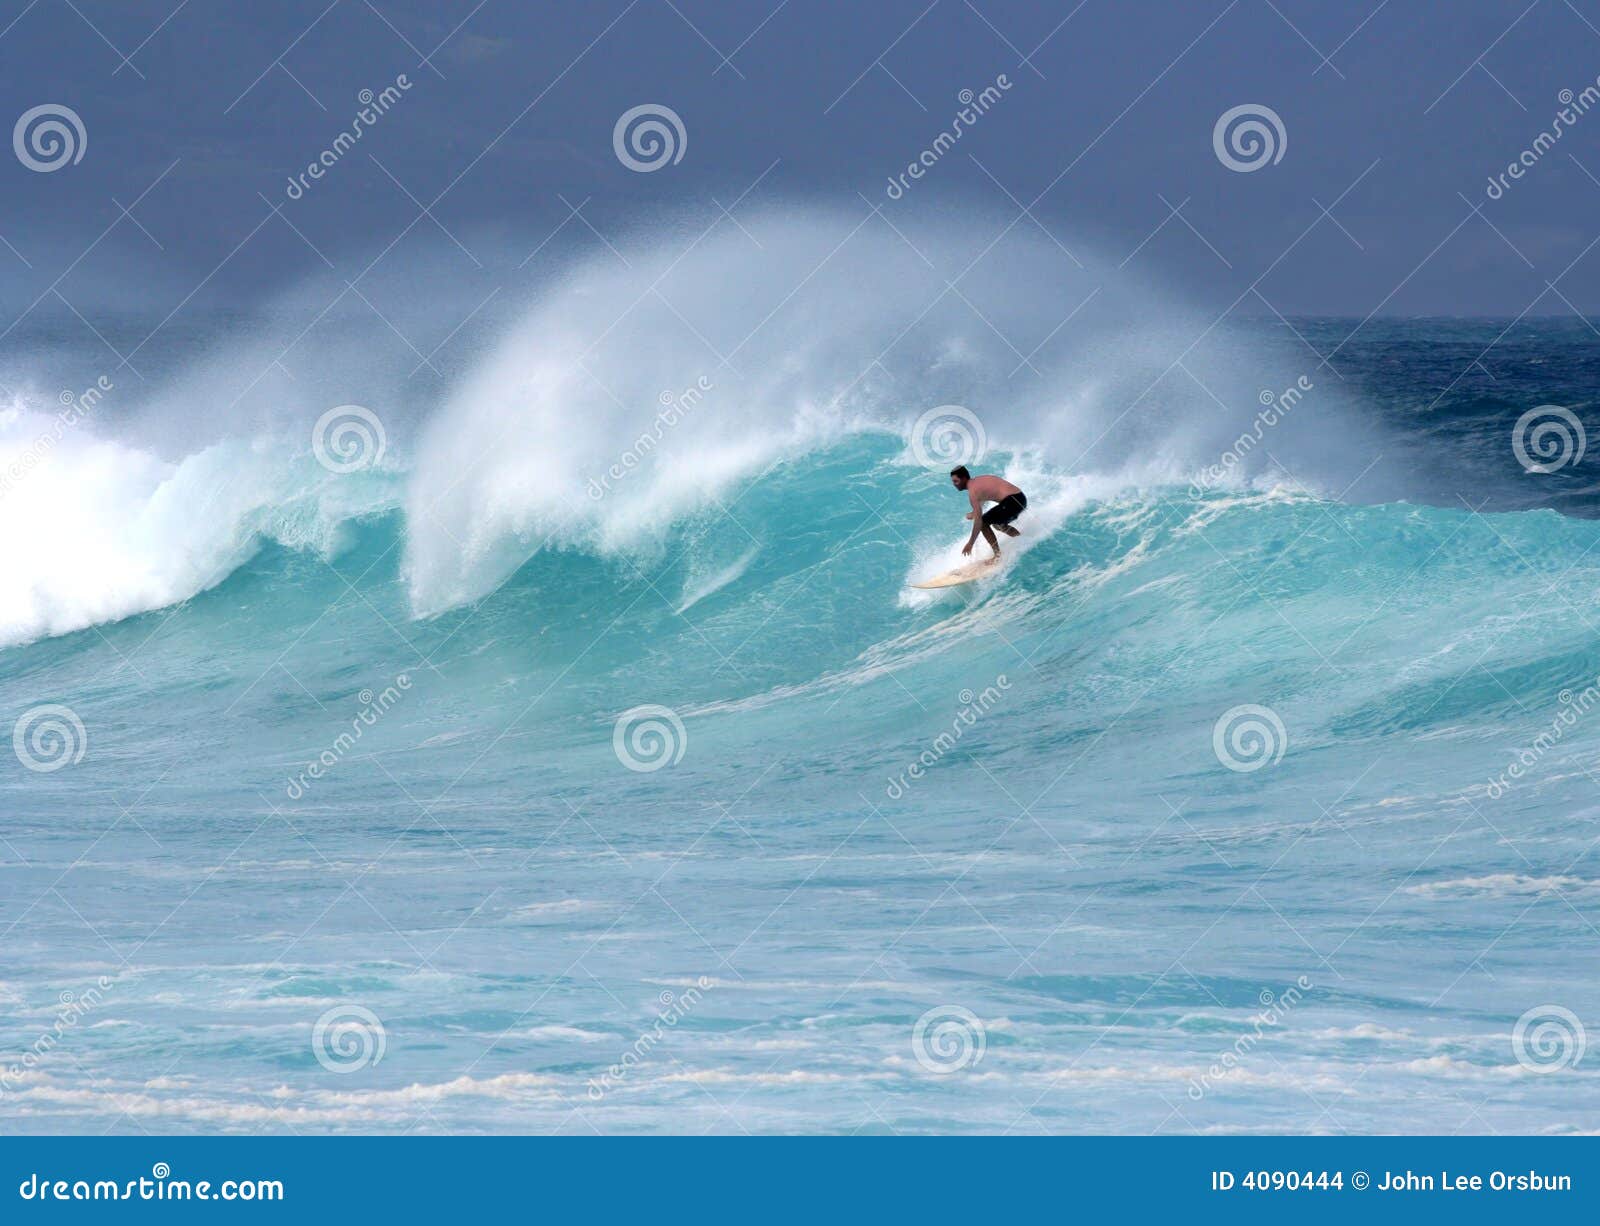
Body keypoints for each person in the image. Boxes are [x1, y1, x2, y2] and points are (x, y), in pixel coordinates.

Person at [950, 465, 1026, 558]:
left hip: (1011, 502)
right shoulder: (979, 481)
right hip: (1020, 498)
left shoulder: (972, 492)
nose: (954, 484)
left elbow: (979, 521)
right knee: (998, 525)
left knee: (983, 523)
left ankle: (997, 555)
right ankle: (1021, 539)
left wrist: (970, 543)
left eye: (956, 481)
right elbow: (983, 499)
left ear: (964, 478)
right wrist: (974, 513)